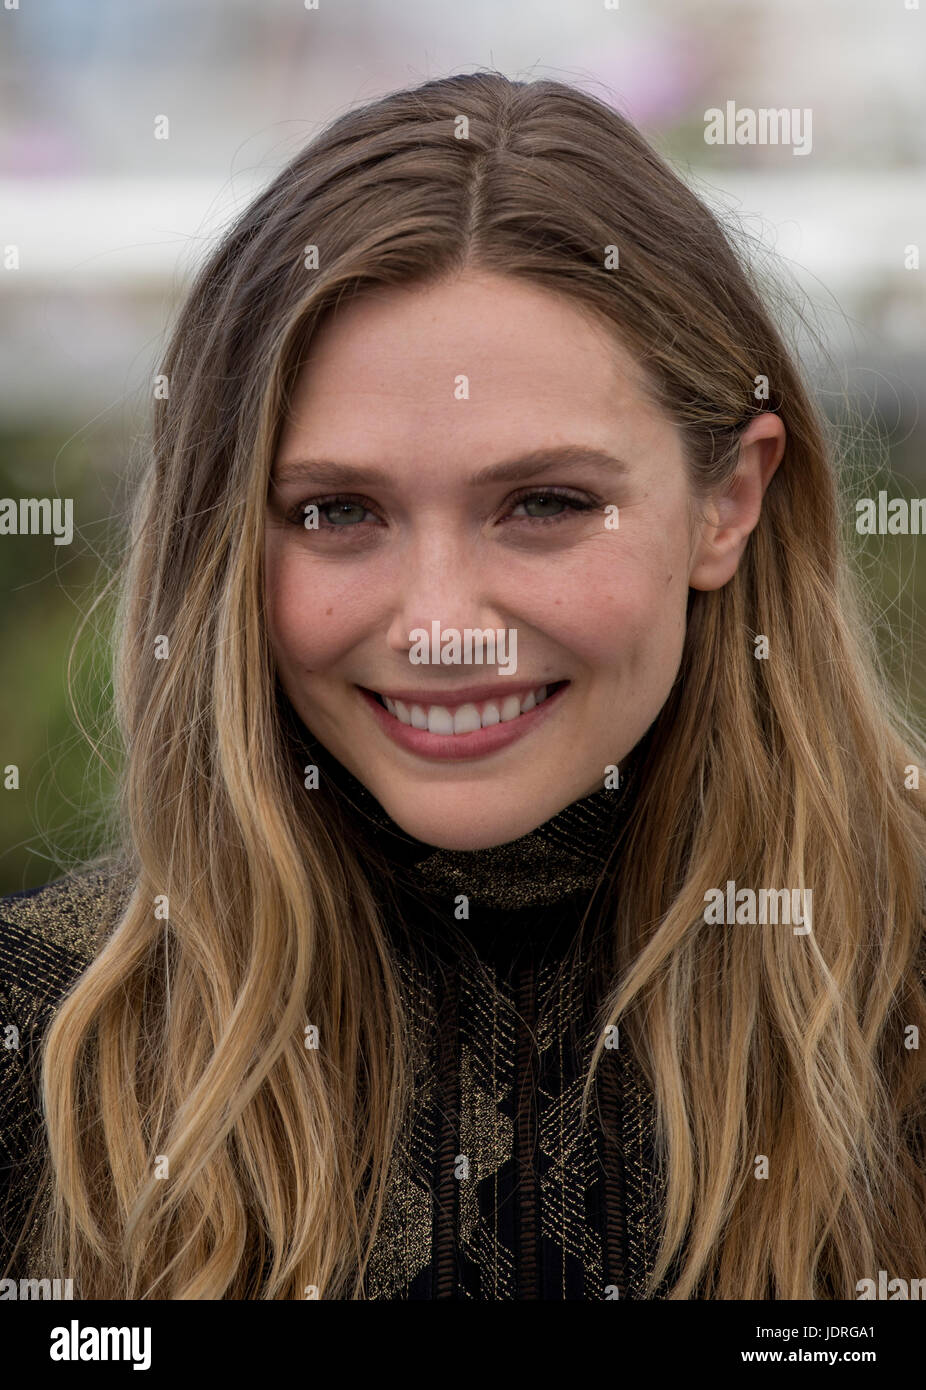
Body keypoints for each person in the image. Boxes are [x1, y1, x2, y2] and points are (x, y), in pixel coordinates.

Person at [2, 70, 924, 1301]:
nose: (438, 626)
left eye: (544, 504)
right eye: (336, 511)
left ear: (729, 501)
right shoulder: (46, 1050)